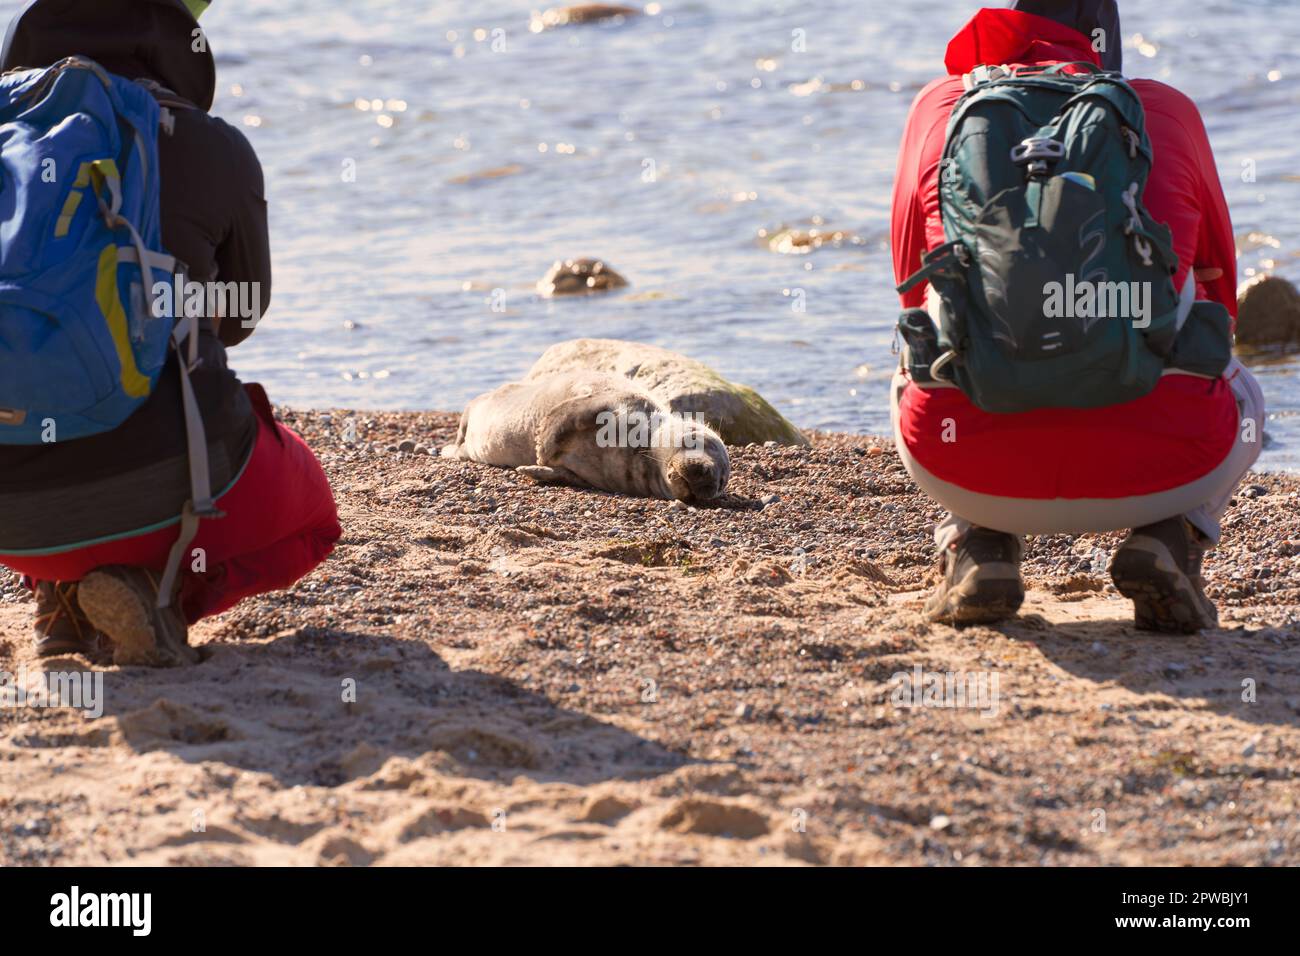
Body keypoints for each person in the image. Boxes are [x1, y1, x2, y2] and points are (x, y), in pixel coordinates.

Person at [889, 1, 1264, 631]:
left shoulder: (940, 108)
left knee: (932, 339)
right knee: (1242, 383)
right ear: (1105, 43)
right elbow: (1218, 287)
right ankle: (1170, 538)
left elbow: (910, 286)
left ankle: (976, 543)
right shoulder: (1163, 110)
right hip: (1170, 464)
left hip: (964, 466)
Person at [0, 0, 341, 665]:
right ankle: (154, 590)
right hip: (169, 486)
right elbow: (240, 321)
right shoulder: (213, 146)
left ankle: (59, 594)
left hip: (11, 520)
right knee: (313, 522)